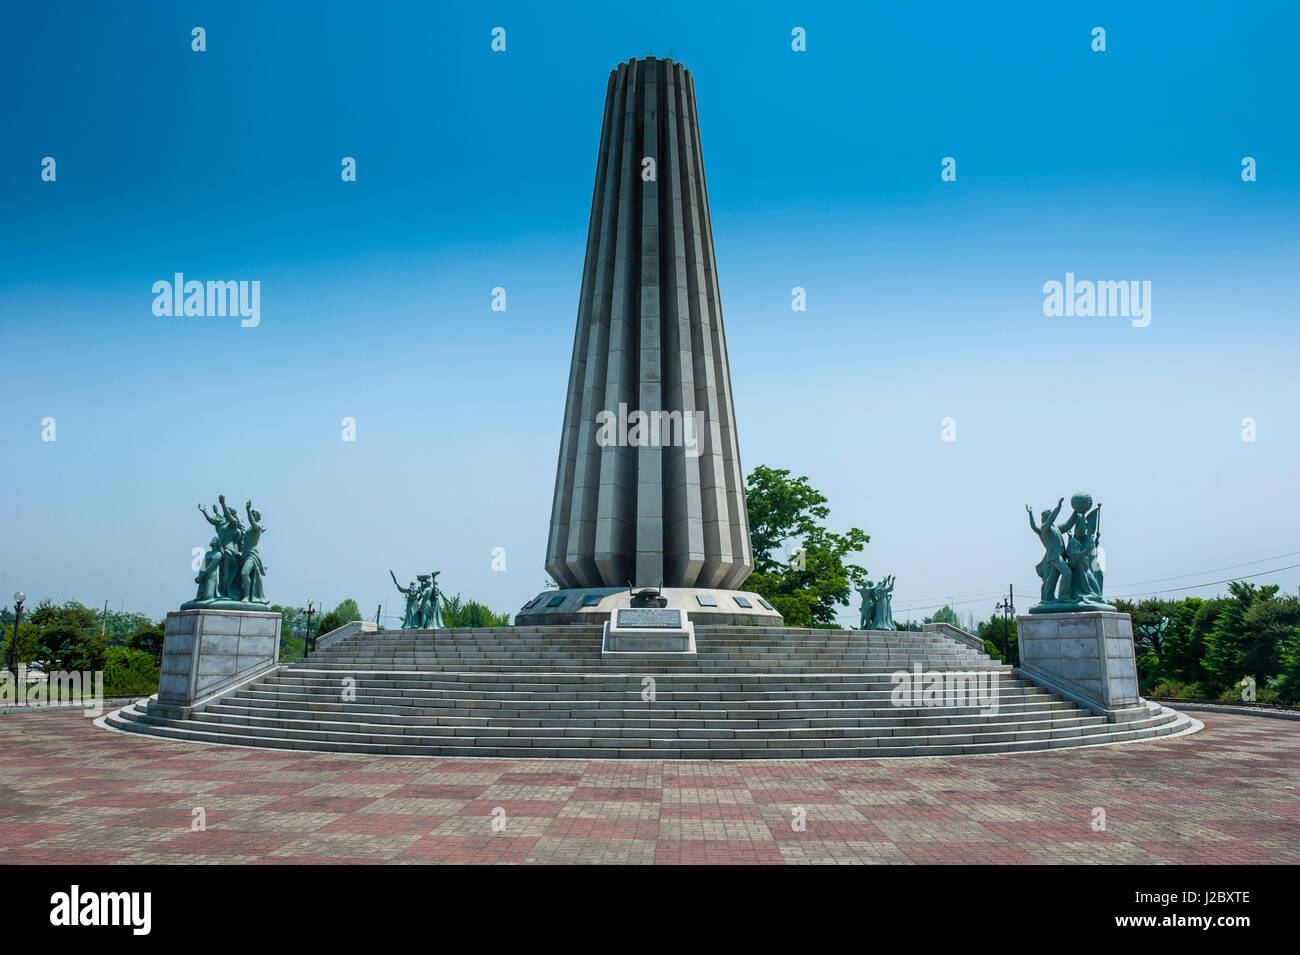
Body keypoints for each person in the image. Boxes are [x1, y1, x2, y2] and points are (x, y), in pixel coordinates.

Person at [1027, 498, 1071, 603]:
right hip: (1054, 556)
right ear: (1045, 517)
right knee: (1067, 572)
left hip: (1059, 555)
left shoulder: (1055, 528)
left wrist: (1076, 512)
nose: (1050, 516)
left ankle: (1048, 598)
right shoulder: (1045, 528)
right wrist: (1058, 507)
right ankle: (1063, 596)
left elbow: (1068, 525)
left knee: (1052, 578)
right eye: (1049, 515)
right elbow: (1034, 526)